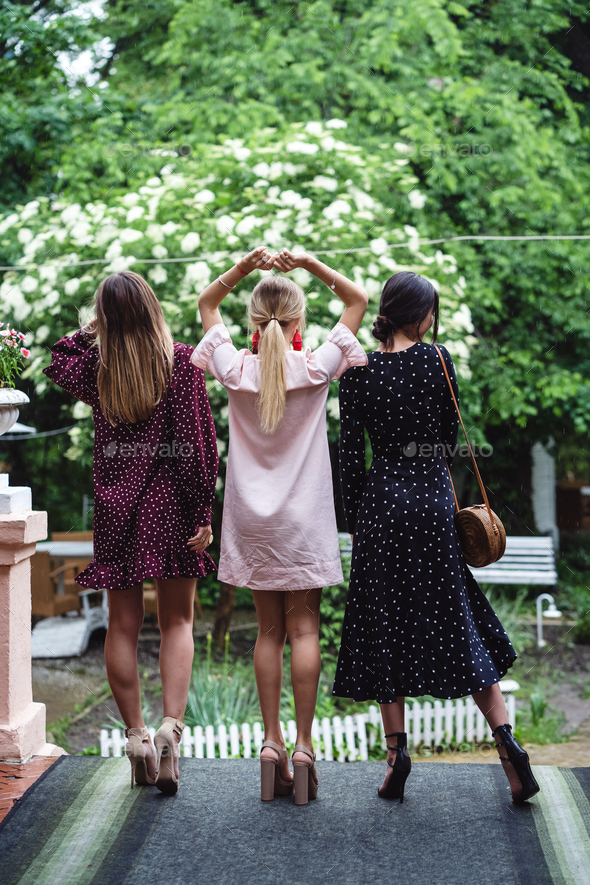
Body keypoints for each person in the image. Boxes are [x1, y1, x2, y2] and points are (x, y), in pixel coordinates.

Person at [332, 270, 540, 805]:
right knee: (456, 618)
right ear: (422, 315)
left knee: (385, 625)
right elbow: (446, 441)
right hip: (430, 504)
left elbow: (349, 455)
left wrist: (356, 521)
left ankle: (396, 755)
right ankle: (507, 744)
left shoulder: (357, 369)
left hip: (381, 509)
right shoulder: (438, 360)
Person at [192, 245, 368, 805]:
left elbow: (206, 301)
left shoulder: (235, 368)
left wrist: (245, 267)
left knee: (267, 633)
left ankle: (269, 744)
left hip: (252, 520)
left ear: (253, 322)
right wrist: (311, 264)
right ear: (299, 323)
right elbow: (360, 299)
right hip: (304, 518)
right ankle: (303, 745)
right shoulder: (316, 365)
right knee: (305, 631)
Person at [44, 270, 218, 795]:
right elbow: (198, 446)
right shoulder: (182, 361)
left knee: (121, 624)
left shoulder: (99, 368)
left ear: (108, 319)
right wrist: (202, 514)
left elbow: (57, 359)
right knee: (177, 620)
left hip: (117, 510)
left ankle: (137, 738)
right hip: (170, 507)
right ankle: (170, 729)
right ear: (152, 308)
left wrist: (91, 329)